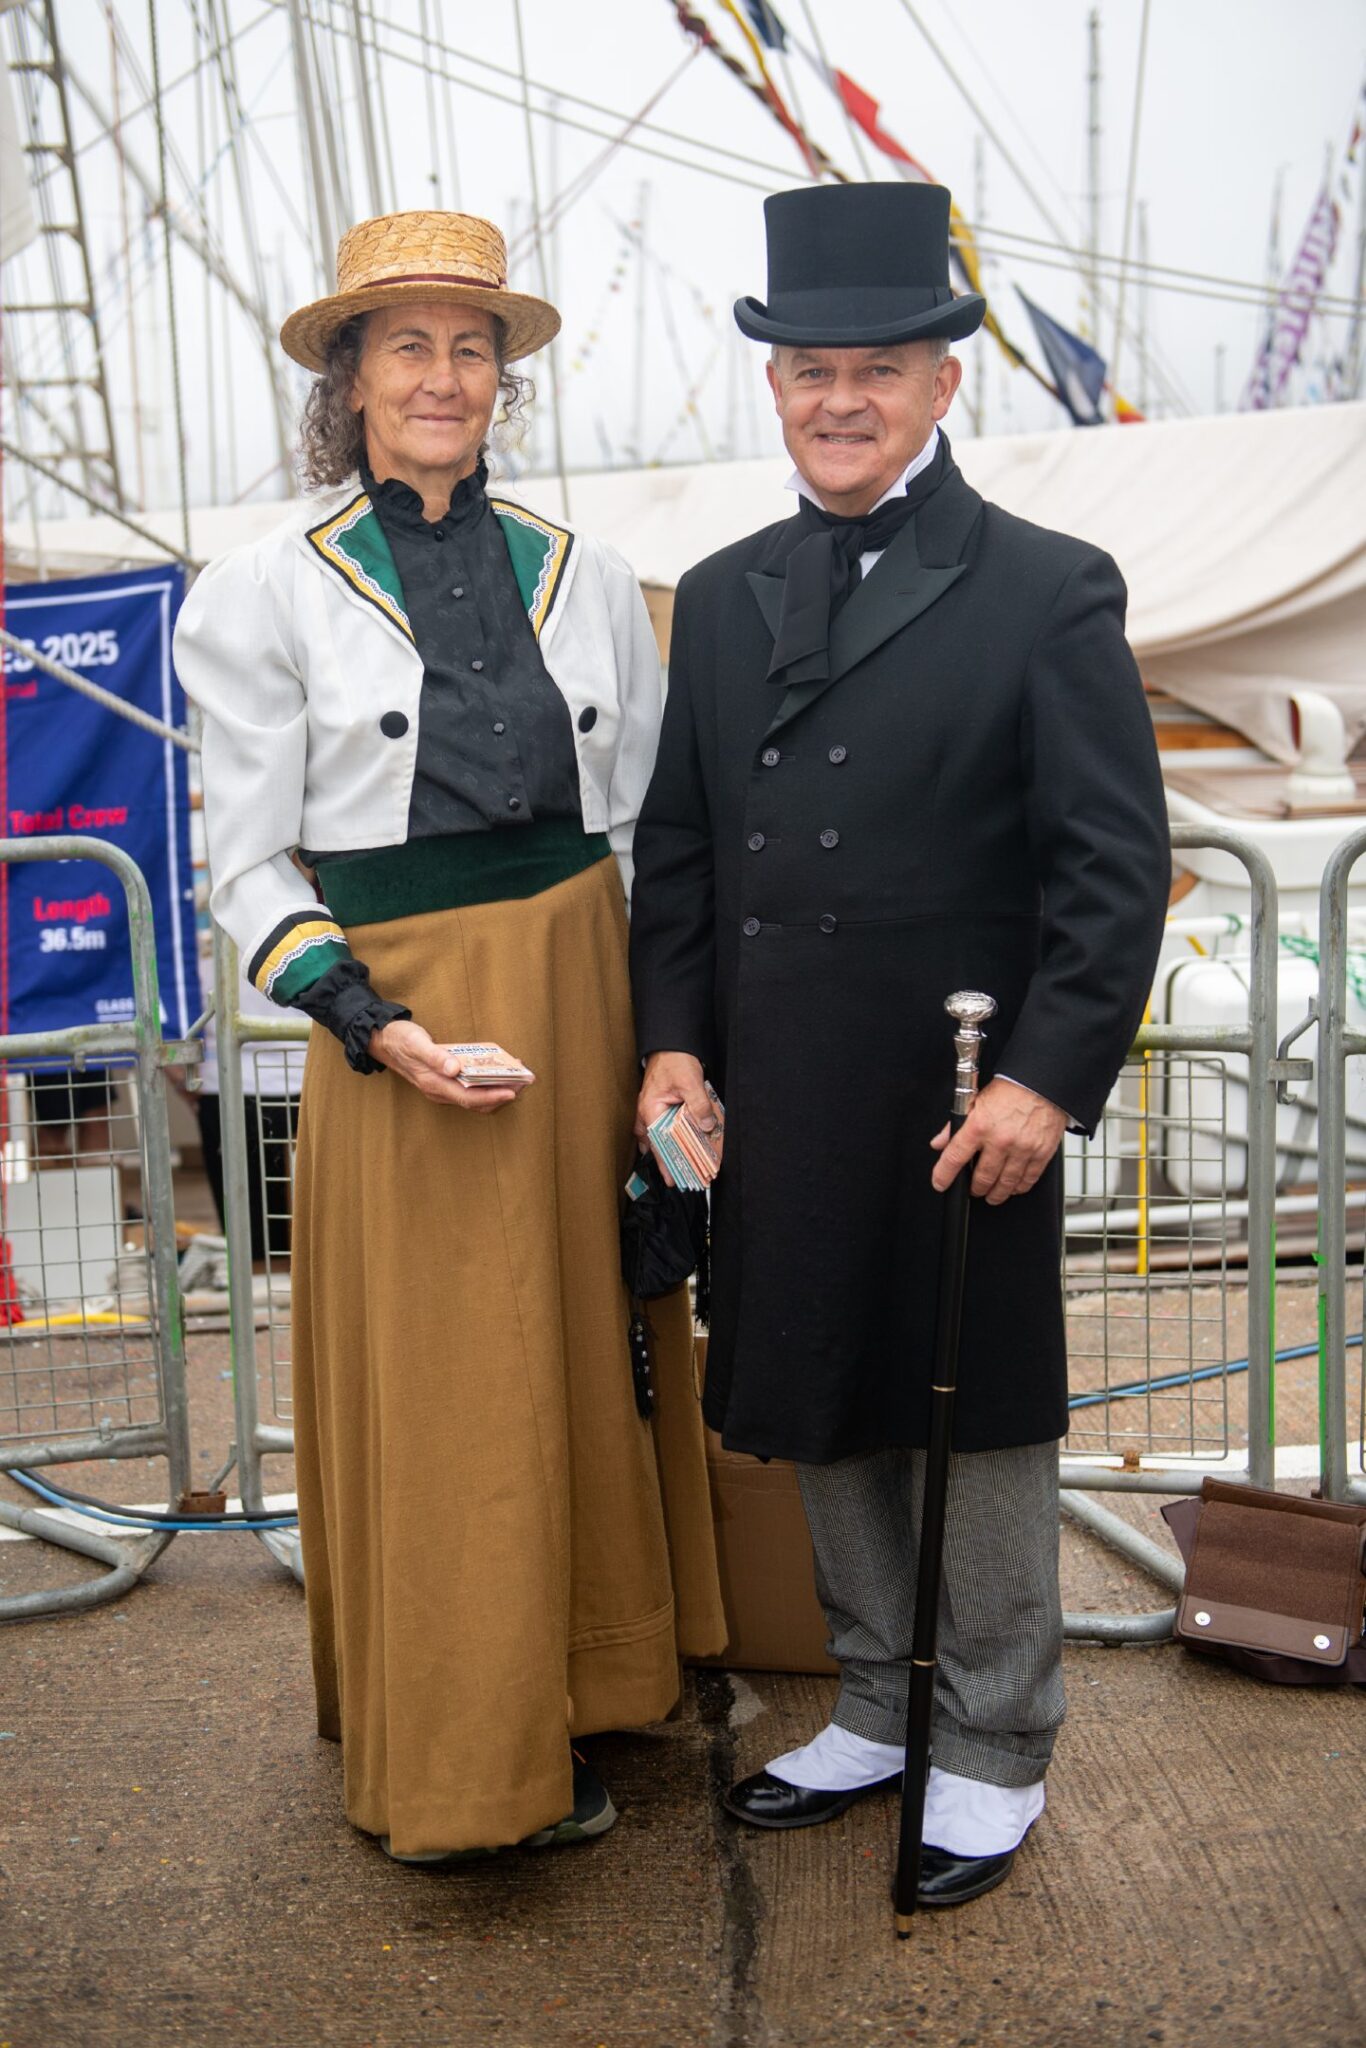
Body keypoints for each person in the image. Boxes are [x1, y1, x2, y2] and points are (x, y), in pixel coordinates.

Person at [629, 182, 1170, 1909]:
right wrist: (668, 1051)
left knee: (975, 1417)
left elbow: (1112, 867)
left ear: (945, 383)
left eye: (877, 366)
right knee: (820, 1389)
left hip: (958, 1090)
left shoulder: (1041, 587)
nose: (839, 398)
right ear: (773, 391)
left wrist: (1047, 1076)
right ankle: (875, 1702)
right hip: (781, 1076)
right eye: (808, 372)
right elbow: (687, 852)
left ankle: (996, 1743)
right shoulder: (717, 597)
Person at [175, 210, 724, 1863]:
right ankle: (463, 1759)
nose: (442, 376)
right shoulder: (262, 587)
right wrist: (369, 1021)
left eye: (470, 346)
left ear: (504, 381)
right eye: (404, 345)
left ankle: (597, 1685)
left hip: (579, 985)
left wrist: (660, 1048)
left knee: (591, 1355)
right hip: (394, 1022)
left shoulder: (590, 578)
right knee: (453, 1390)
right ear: (346, 382)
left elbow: (635, 833)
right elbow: (247, 862)